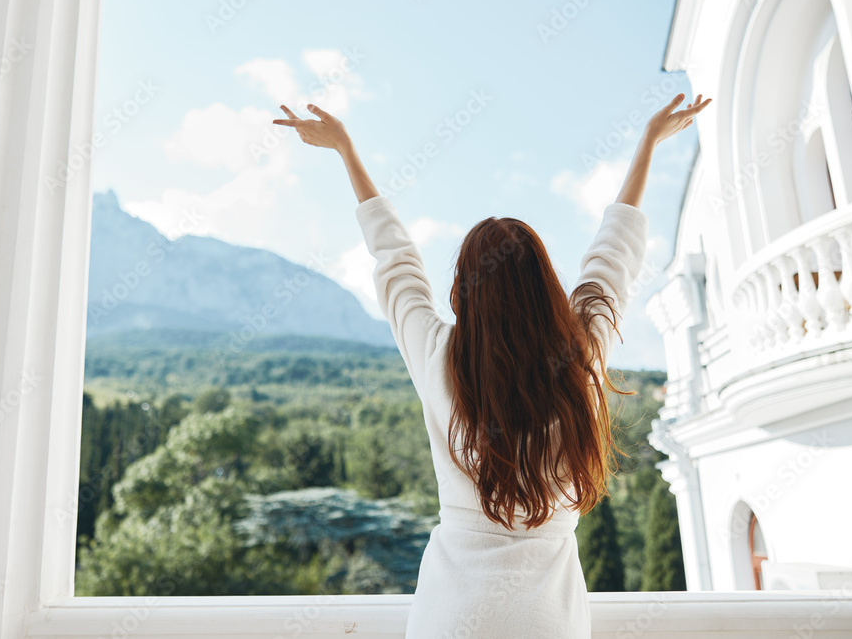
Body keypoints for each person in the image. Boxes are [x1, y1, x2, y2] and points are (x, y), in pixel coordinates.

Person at [273, 92, 711, 638]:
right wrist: (647, 143)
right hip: (546, 620)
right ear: (546, 288)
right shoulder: (577, 358)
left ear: (462, 290)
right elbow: (613, 255)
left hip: (450, 616)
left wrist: (346, 151)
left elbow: (396, 259)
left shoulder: (438, 356)